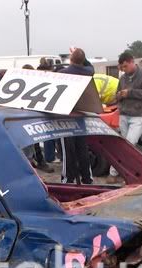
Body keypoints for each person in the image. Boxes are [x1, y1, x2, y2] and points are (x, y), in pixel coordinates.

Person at [106, 51, 142, 184]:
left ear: (132, 62)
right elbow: (117, 94)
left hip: (139, 117)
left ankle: (114, 173)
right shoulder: (123, 78)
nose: (123, 70)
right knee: (127, 146)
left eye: (125, 66)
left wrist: (130, 93)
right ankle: (128, 174)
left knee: (127, 146)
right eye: (122, 68)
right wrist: (119, 96)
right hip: (124, 115)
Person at [58, 48, 94, 185]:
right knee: (82, 148)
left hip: (65, 115)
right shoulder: (89, 72)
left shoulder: (62, 73)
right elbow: (89, 66)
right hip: (81, 115)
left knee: (67, 151)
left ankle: (68, 178)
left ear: (71, 59)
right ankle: (87, 178)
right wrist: (81, 57)